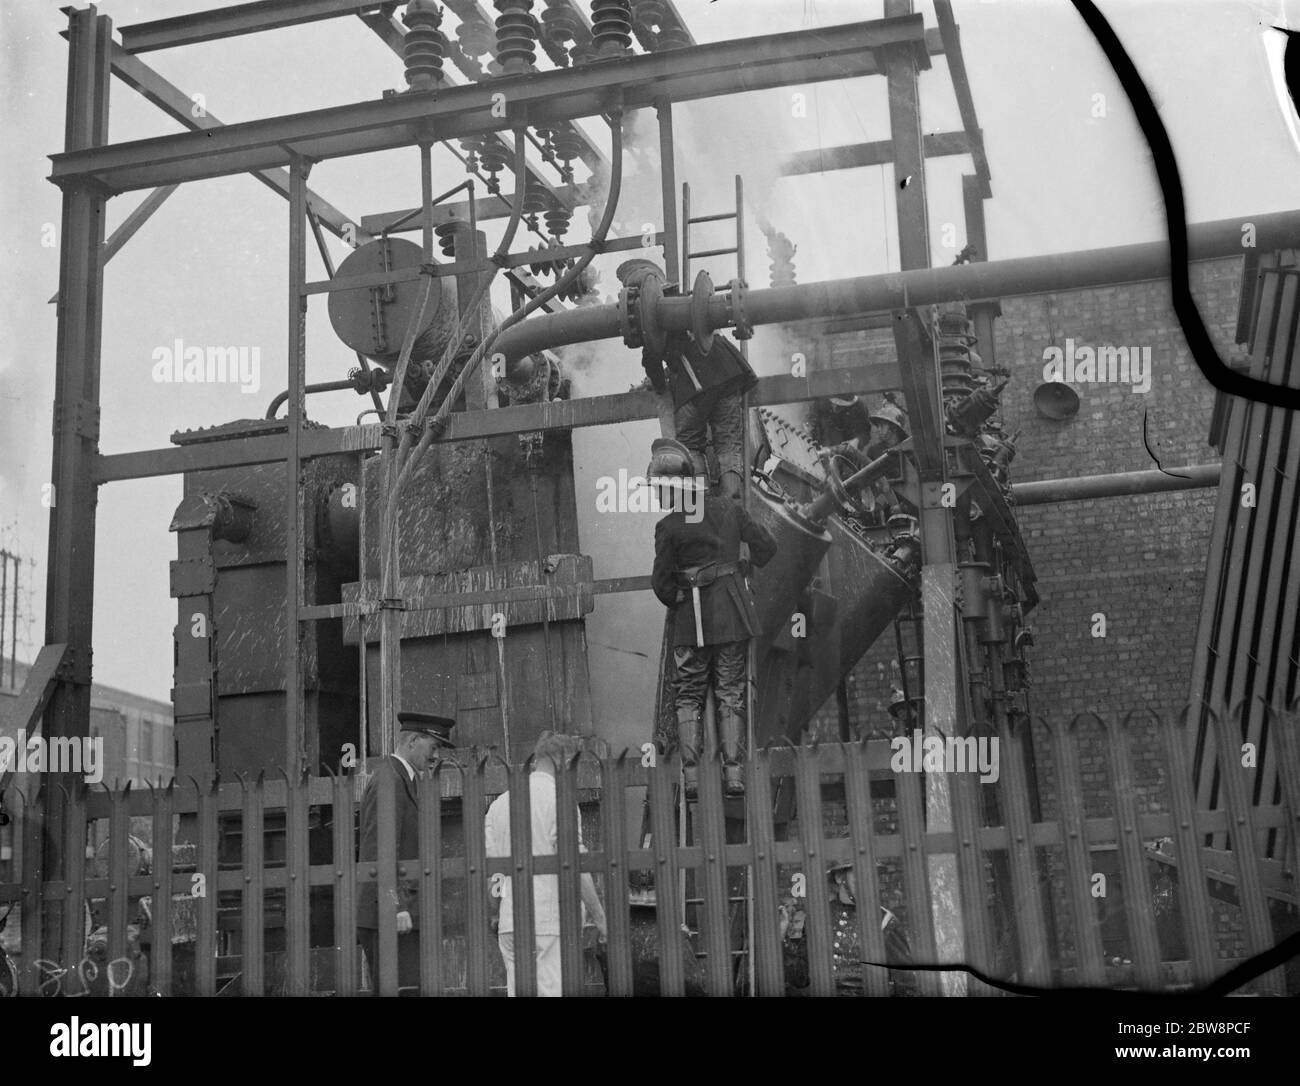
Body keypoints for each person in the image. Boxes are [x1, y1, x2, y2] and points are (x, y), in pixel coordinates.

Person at [649, 438, 777, 799]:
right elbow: (768, 547)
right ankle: (733, 774)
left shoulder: (669, 527)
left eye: (660, 487)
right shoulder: (729, 510)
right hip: (732, 615)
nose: (657, 494)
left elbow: (660, 584)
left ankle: (691, 779)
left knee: (688, 694)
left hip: (692, 622)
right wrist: (742, 568)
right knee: (730, 692)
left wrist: (681, 595)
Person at [618, 259, 757, 501]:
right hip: (729, 370)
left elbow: (652, 363)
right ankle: (731, 504)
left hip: (696, 382)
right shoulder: (685, 298)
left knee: (688, 444)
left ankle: (701, 508)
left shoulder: (649, 315)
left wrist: (659, 383)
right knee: (728, 441)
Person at [484, 731, 608, 997]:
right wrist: (599, 916)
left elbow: (494, 872)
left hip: (511, 923)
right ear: (563, 761)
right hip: (548, 922)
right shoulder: (559, 800)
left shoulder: (499, 805)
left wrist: (496, 911)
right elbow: (574, 862)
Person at [357, 711, 455, 995]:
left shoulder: (402, 779)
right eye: (433, 747)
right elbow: (380, 849)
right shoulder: (391, 779)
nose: (436, 756)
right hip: (390, 913)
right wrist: (395, 905)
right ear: (413, 740)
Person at [782, 860, 915, 996]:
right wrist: (781, 939)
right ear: (839, 877)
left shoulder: (885, 921)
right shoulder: (819, 918)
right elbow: (800, 978)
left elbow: (907, 986)